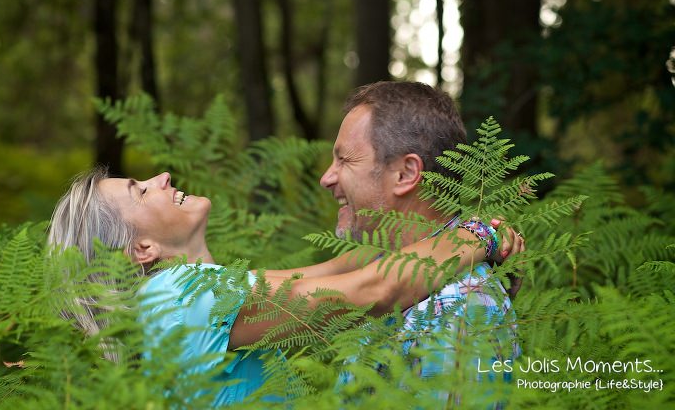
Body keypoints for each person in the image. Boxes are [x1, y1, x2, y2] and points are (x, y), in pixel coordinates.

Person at [47, 163, 521, 406]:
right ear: (141, 249)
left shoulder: (188, 294)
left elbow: (329, 273)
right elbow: (366, 292)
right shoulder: (177, 296)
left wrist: (445, 233)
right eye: (142, 190)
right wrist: (476, 237)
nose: (162, 176)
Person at [292, 81, 522, 400]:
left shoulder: (458, 308)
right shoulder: (387, 268)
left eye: (344, 160)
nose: (326, 178)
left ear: (405, 174)